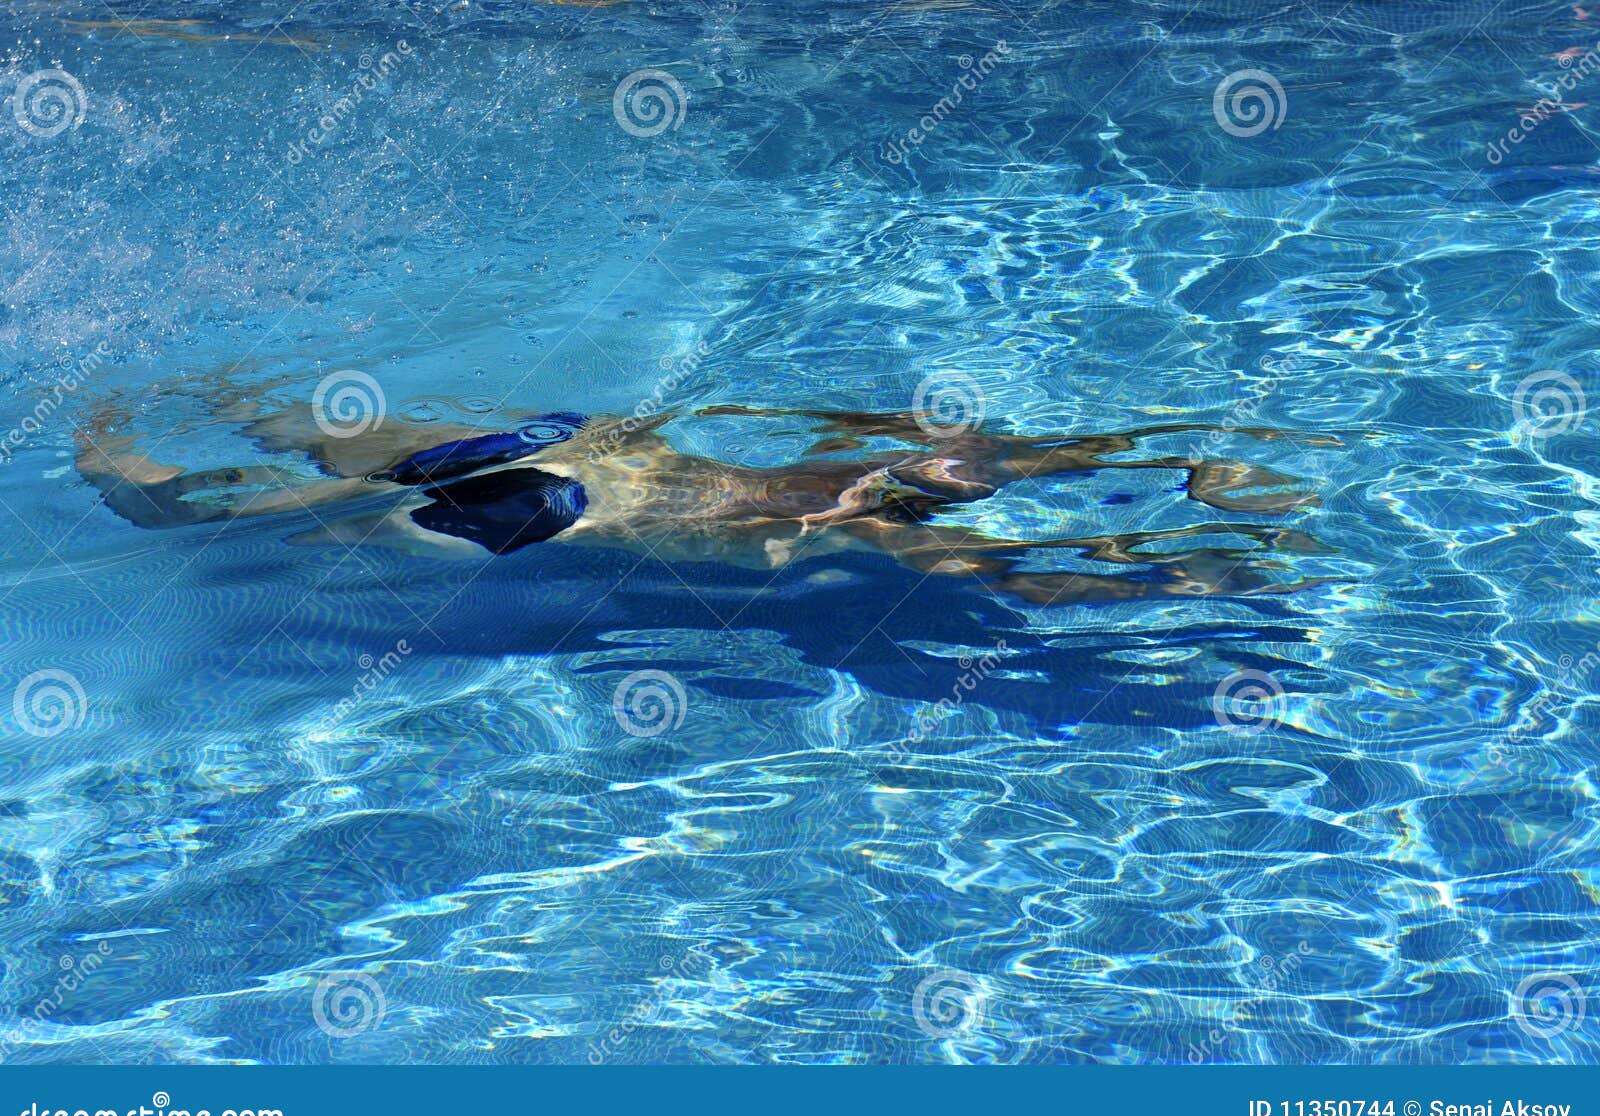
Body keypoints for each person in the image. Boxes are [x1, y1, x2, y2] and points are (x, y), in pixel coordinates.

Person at [75, 396, 1336, 605]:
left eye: (880, 491)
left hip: (540, 513)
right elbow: (1055, 450)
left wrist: (1179, 576)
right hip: (574, 457)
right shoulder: (880, 464)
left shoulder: (836, 536)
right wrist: (1204, 465)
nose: (864, 478)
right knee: (307, 423)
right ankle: (172, 382)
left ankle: (117, 481)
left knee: (217, 515)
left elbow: (1013, 576)